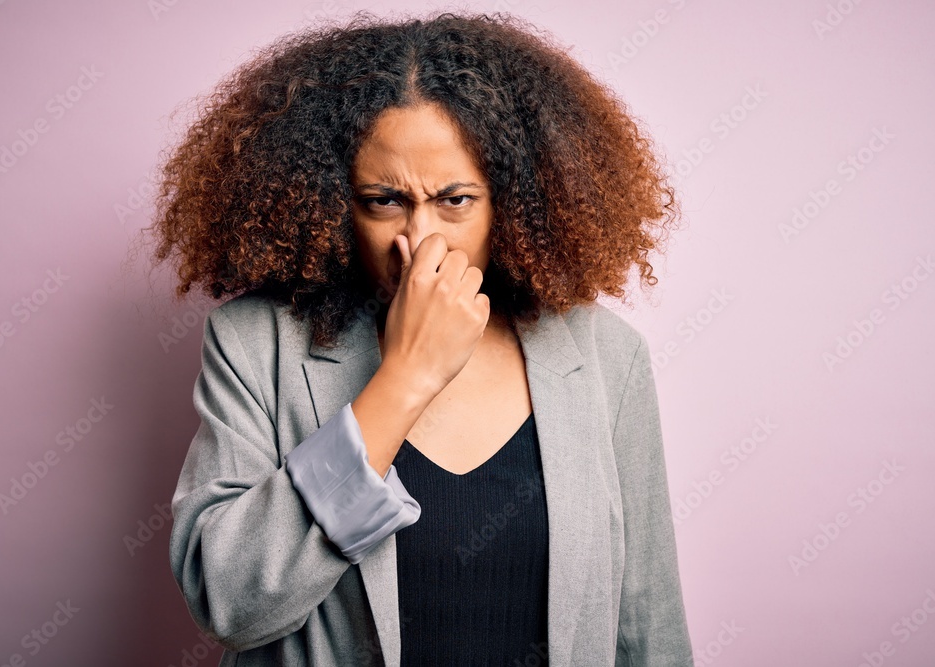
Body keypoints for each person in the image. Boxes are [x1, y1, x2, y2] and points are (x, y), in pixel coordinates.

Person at [147, 9, 693, 666]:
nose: (421, 241)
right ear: (330, 199)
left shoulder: (607, 357)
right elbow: (230, 598)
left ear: (514, 202)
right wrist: (403, 378)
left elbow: (648, 629)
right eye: (383, 199)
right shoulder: (255, 344)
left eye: (456, 199)